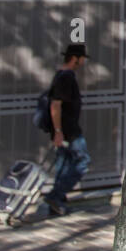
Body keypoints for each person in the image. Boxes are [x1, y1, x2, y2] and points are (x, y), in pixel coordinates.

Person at [43, 43, 91, 216]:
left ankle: (56, 205)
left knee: (63, 164)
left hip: (64, 129)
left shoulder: (61, 75)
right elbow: (55, 105)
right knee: (83, 161)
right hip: (68, 131)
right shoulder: (66, 77)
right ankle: (55, 196)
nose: (83, 62)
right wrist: (58, 131)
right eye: (82, 59)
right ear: (75, 59)